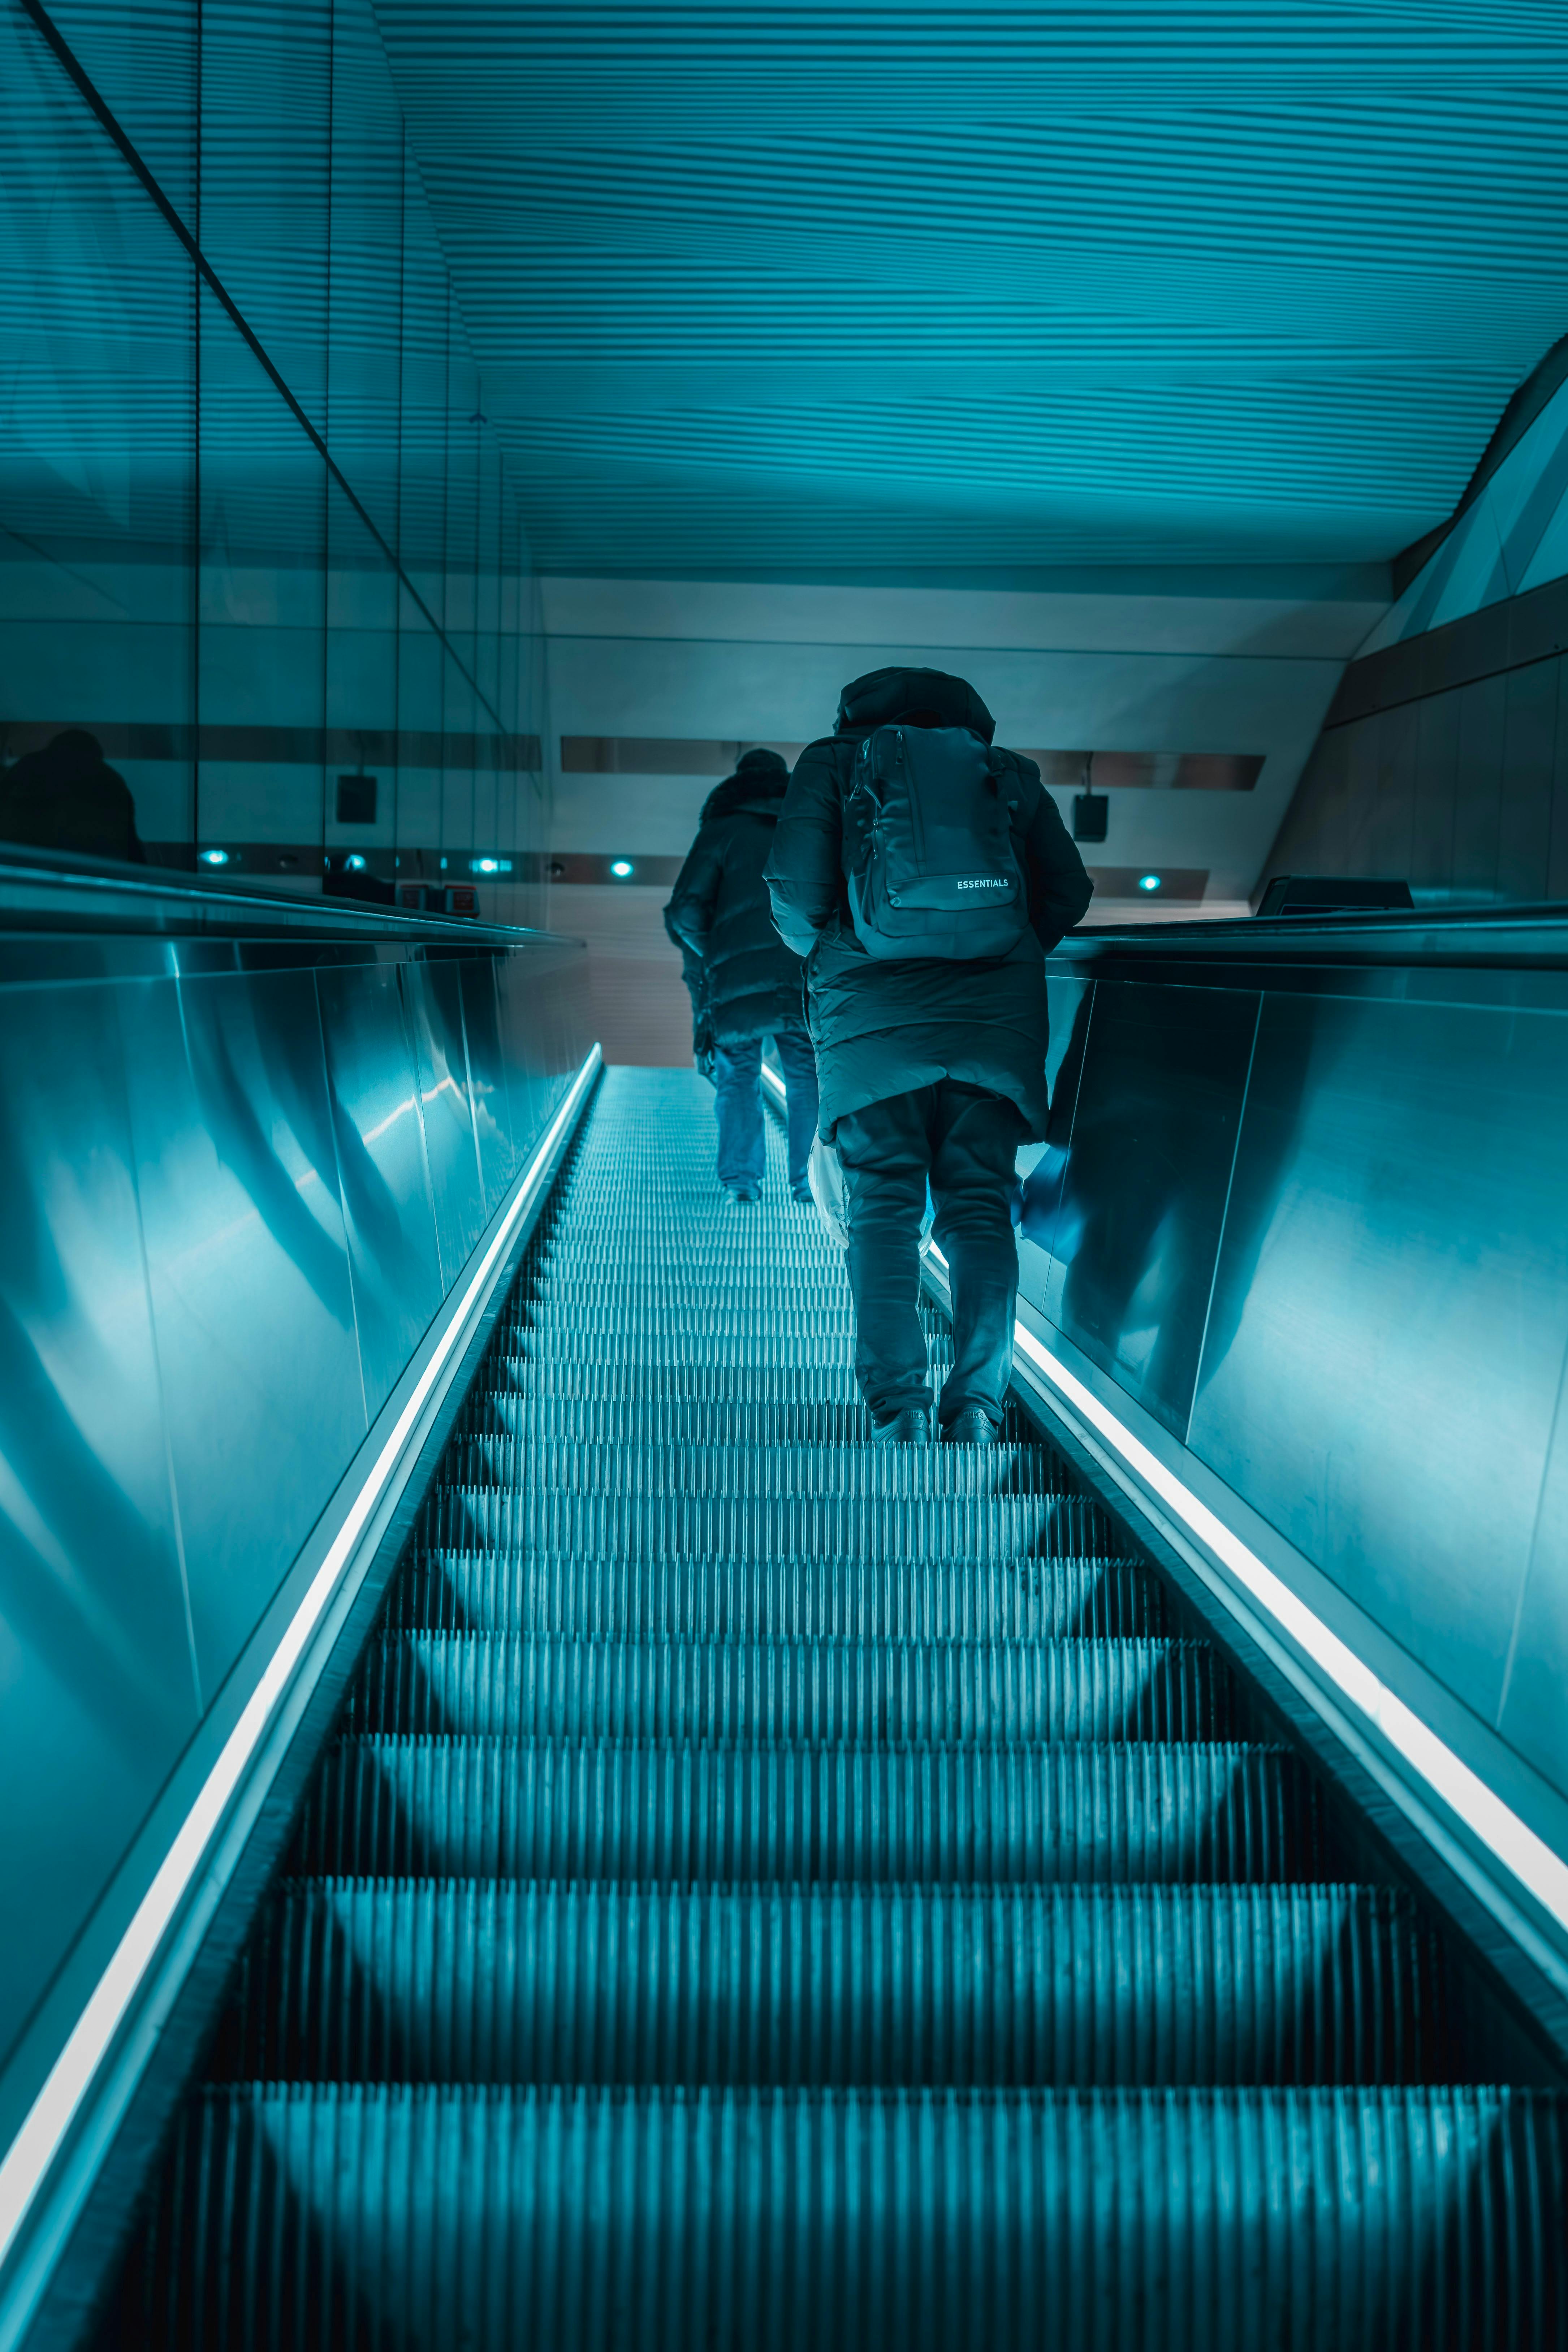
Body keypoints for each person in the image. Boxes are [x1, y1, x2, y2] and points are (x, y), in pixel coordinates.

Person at [765, 666, 1092, 1445]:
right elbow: (1066, 891)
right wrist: (1001, 953)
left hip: (869, 1023)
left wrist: (845, 951)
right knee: (979, 1213)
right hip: (992, 1028)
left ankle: (897, 1406)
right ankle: (977, 1404)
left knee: (882, 1212)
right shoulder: (1005, 772)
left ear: (855, 713)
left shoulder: (832, 762)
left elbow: (792, 894)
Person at [664, 746, 820, 1205]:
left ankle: (742, 1183)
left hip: (735, 982)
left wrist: (717, 951)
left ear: (738, 780)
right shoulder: (808, 827)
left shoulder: (722, 829)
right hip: (802, 974)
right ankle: (808, 1184)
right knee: (807, 1079)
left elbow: (685, 908)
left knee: (738, 1078)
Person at [0, 729, 144, 864]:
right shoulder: (109, 778)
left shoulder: (29, 766)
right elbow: (128, 835)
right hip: (93, 865)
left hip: (24, 858)